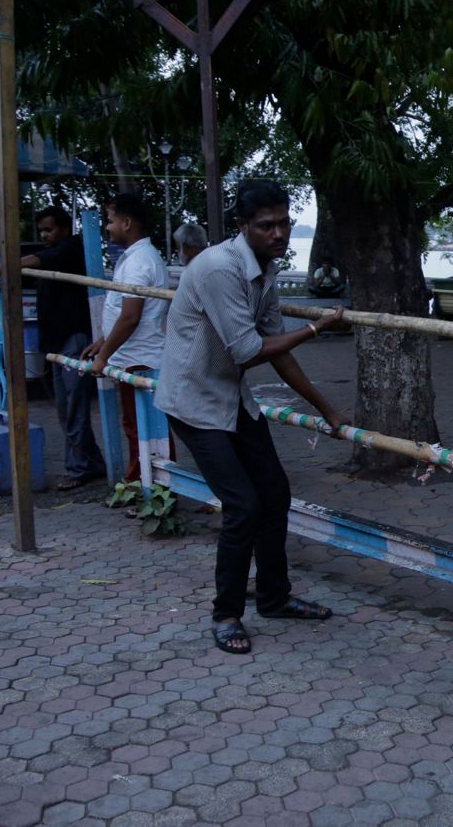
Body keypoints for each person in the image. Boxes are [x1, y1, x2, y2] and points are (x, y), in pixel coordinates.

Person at [155, 179, 348, 655]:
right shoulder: (219, 268)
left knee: (275, 493)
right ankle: (225, 614)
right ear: (242, 226)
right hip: (193, 403)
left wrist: (326, 409)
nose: (278, 233)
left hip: (231, 397)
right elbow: (248, 349)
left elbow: (276, 350)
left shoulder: (266, 267)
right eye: (266, 226)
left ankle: (274, 597)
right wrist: (316, 327)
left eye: (284, 223)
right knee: (243, 506)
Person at [0, 207, 106, 491]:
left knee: (73, 407)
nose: (44, 235)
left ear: (64, 228)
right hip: (57, 340)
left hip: (74, 338)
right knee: (65, 407)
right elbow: (32, 261)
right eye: (41, 230)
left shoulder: (72, 249)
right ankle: (90, 461)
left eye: (49, 229)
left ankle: (80, 466)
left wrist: (2, 266)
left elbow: (41, 258)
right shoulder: (51, 253)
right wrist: (1, 251)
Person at [83, 194, 172, 483]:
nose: (107, 227)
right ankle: (142, 484)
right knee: (136, 427)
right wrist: (103, 341)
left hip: (141, 360)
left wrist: (103, 356)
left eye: (110, 221)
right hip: (134, 357)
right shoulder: (133, 258)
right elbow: (121, 312)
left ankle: (149, 487)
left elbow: (131, 317)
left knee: (146, 430)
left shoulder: (139, 261)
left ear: (127, 223)